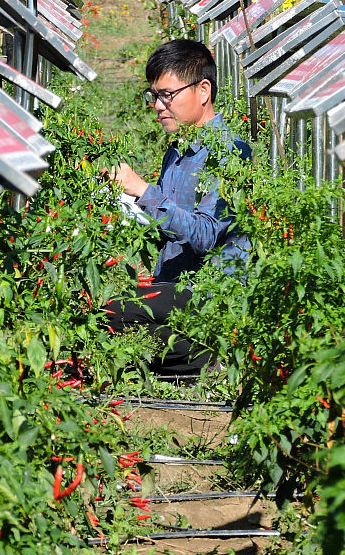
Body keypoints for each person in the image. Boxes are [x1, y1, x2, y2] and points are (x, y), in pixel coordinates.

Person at [102, 39, 251, 376]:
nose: (157, 105)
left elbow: (205, 235)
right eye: (153, 95)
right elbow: (168, 229)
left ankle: (208, 355)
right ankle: (191, 356)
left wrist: (143, 190)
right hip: (175, 285)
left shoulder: (230, 153)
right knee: (104, 313)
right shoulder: (177, 151)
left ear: (202, 90)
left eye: (167, 94)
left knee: (114, 314)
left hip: (208, 292)